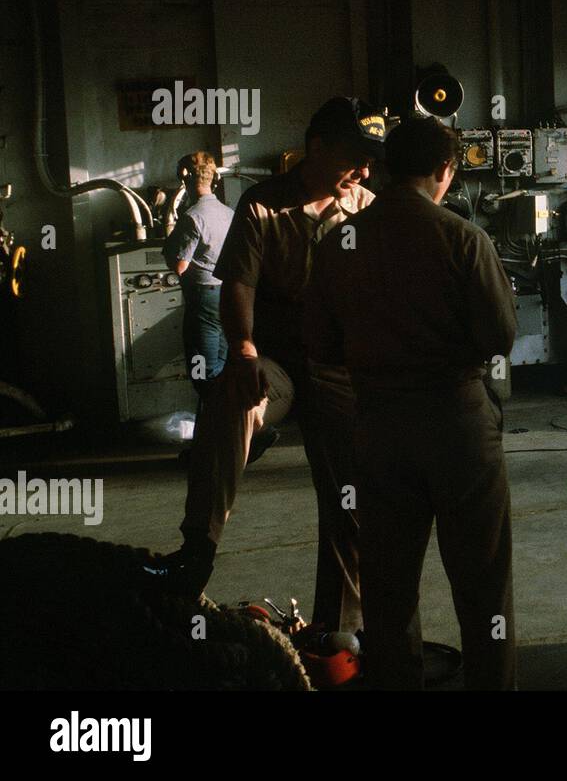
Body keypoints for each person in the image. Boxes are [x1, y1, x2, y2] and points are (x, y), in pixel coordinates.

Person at [143, 98, 386, 639]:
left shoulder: (370, 208)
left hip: (341, 369)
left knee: (350, 498)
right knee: (232, 395)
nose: (365, 171)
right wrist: (245, 350)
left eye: (372, 161)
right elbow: (239, 285)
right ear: (317, 148)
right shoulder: (262, 205)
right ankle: (196, 553)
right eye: (356, 157)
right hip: (278, 363)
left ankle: (335, 630)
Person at [305, 117, 517, 690]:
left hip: (377, 426)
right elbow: (499, 336)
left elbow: (320, 345)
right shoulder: (463, 238)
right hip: (458, 423)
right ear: (445, 170)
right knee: (483, 582)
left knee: (388, 586)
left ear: (387, 168)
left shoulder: (338, 243)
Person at [162, 152, 233, 400]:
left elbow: (180, 266)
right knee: (221, 361)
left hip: (202, 296)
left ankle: (218, 423)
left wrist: (170, 250)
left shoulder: (192, 216)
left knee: (202, 367)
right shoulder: (228, 213)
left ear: (186, 179)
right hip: (227, 293)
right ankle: (229, 424)